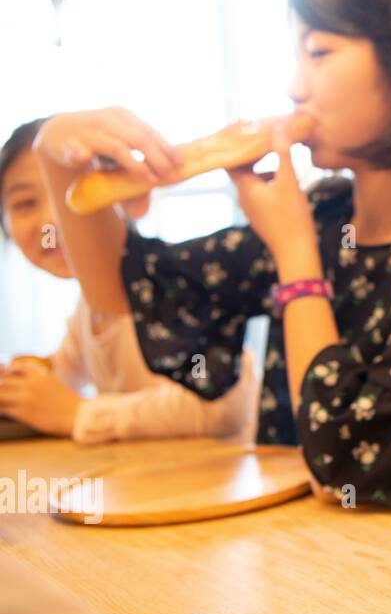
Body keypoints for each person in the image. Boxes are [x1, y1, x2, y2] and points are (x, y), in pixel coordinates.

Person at [33, 0, 391, 507]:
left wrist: (296, 257)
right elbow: (122, 287)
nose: (293, 85)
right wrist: (57, 154)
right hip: (290, 555)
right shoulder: (322, 213)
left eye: (318, 51)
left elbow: (346, 466)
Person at [0, 118, 256, 443]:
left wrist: (77, 413)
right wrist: (21, 381)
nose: (51, 222)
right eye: (24, 203)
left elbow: (221, 410)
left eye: (72, 196)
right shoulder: (87, 307)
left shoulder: (166, 287)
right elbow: (64, 370)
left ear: (131, 199)